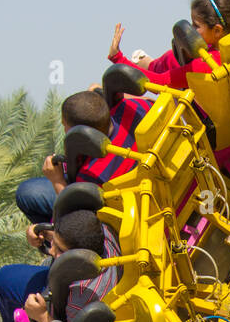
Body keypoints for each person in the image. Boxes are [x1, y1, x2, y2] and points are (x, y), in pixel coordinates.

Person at [14, 90, 149, 229]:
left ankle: (53, 239)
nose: (64, 129)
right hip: (145, 176)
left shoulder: (92, 173)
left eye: (64, 125)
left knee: (28, 192)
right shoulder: (134, 107)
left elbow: (79, 218)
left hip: (119, 210)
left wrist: (57, 181)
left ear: (80, 133)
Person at [108, 0, 230, 92]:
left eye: (196, 26)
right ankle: (145, 61)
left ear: (217, 31)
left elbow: (159, 82)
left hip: (213, 121)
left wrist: (118, 58)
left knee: (172, 58)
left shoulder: (206, 64)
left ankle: (143, 60)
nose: (191, 29)